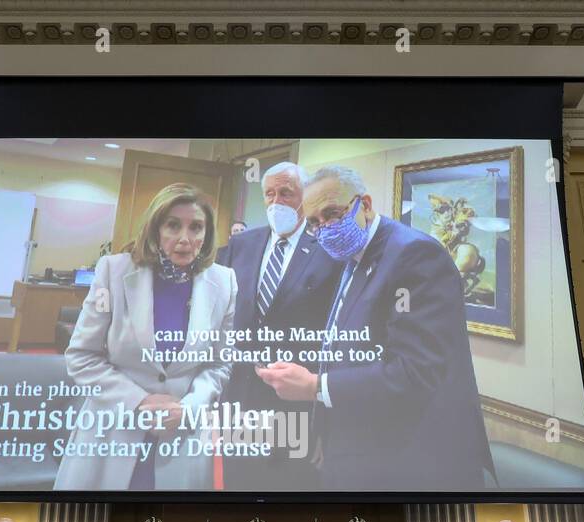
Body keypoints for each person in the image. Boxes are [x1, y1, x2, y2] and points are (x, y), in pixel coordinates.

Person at [256, 164, 494, 492]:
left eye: (333, 213)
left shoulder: (413, 254)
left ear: (365, 205)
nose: (324, 228)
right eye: (314, 222)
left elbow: (414, 371)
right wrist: (326, 431)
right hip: (355, 445)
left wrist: (314, 386)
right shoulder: (351, 255)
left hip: (411, 462)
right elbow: (345, 349)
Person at [55, 182, 237, 492]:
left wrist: (188, 408)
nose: (184, 238)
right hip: (113, 431)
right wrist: (140, 402)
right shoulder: (113, 272)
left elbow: (219, 364)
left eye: (196, 227)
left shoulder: (225, 281)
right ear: (155, 229)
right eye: (173, 225)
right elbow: (82, 356)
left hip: (180, 436)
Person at [219, 162, 343, 491]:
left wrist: (323, 423)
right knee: (235, 485)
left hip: (294, 402)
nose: (276, 203)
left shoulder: (329, 250)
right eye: (269, 194)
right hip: (238, 396)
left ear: (306, 197)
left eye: (286, 193)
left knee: (287, 491)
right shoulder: (241, 245)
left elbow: (336, 341)